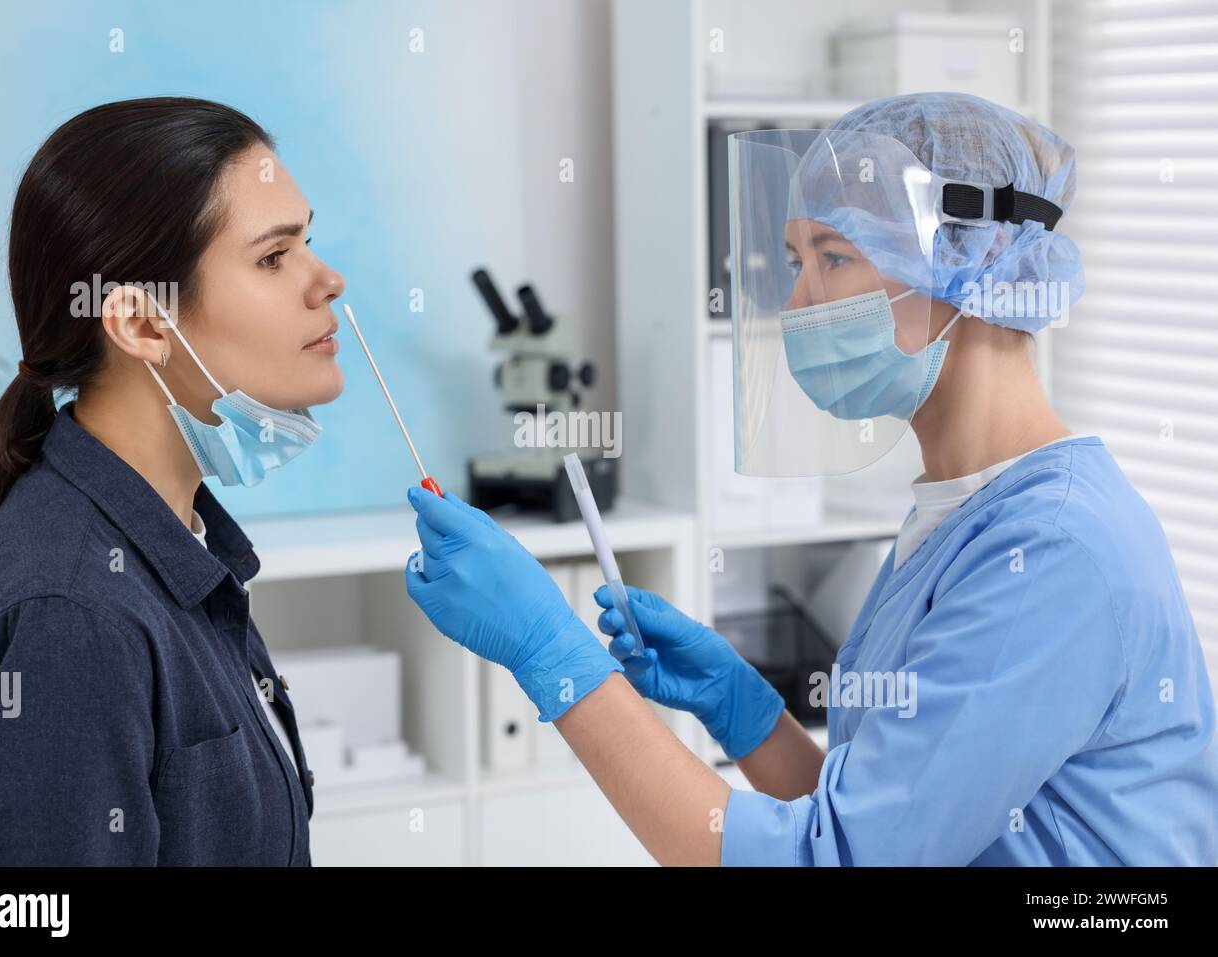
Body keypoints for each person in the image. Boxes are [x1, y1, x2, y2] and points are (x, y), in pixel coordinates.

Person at [404, 93, 1218, 866]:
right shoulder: (960, 513)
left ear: (978, 254)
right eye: (796, 259)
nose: (798, 300)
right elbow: (878, 819)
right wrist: (745, 709)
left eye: (834, 256)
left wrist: (554, 652)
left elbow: (829, 857)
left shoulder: (1051, 551)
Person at [0, 97, 344, 864]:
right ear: (143, 323)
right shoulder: (73, 617)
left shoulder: (175, 542)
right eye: (274, 258)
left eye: (307, 242)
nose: (329, 281)